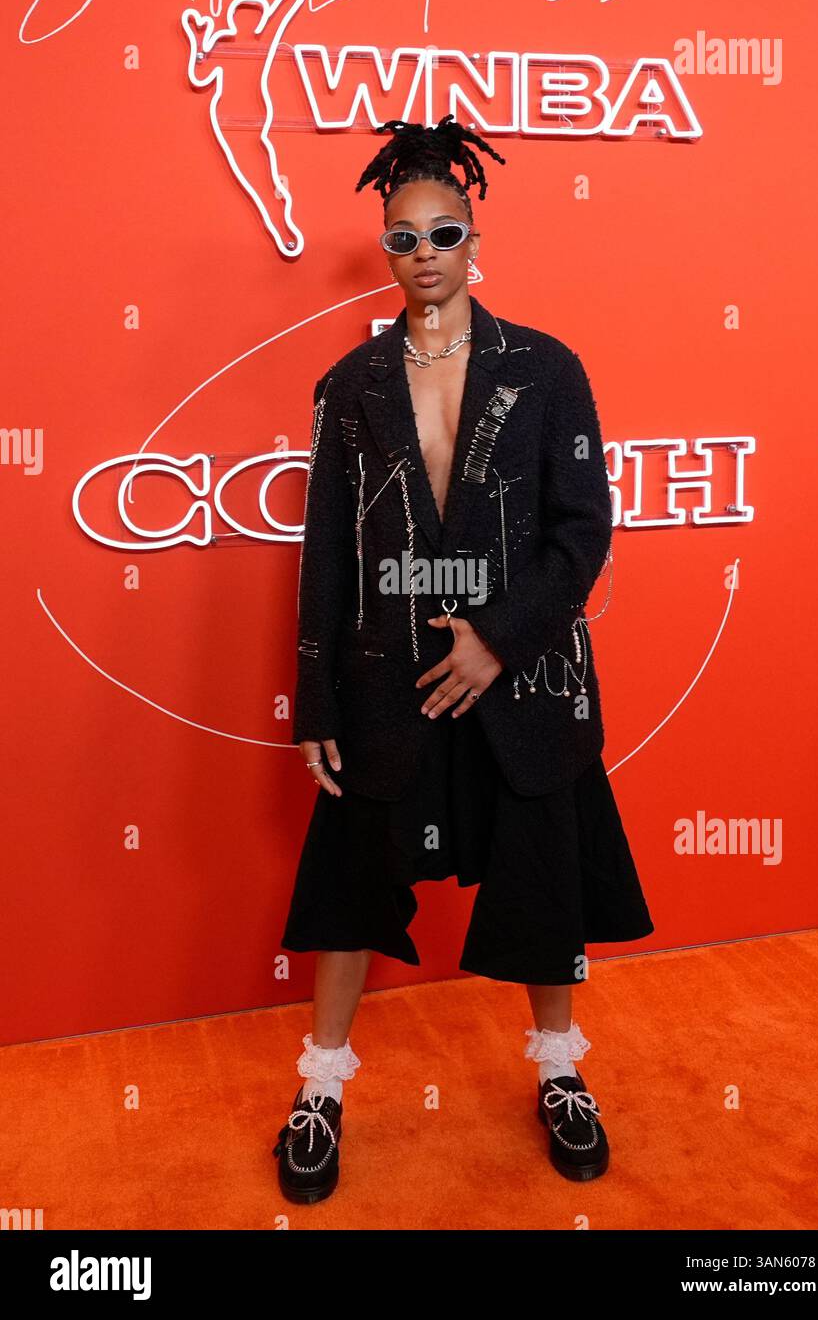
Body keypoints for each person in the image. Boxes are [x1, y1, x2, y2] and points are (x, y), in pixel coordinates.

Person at [272, 114, 654, 1204]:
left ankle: (560, 1071)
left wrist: (497, 639)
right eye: (403, 236)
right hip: (385, 676)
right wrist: (315, 700)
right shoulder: (350, 390)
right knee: (346, 886)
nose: (424, 250)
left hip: (522, 679)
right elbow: (327, 555)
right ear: (383, 246)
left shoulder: (545, 369)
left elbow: (581, 530)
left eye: (444, 230)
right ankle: (322, 1084)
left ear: (474, 237)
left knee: (542, 882)